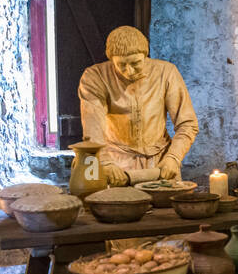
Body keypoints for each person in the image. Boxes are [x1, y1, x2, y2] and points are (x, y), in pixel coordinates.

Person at [77, 25, 199, 186]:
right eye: (121, 65)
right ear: (111, 59)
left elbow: (187, 124)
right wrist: (105, 162)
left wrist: (173, 157)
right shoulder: (95, 77)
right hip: (116, 164)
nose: (129, 71)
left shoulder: (166, 72)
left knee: (166, 210)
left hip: (160, 163)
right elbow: (93, 128)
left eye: (135, 63)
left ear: (145, 55)